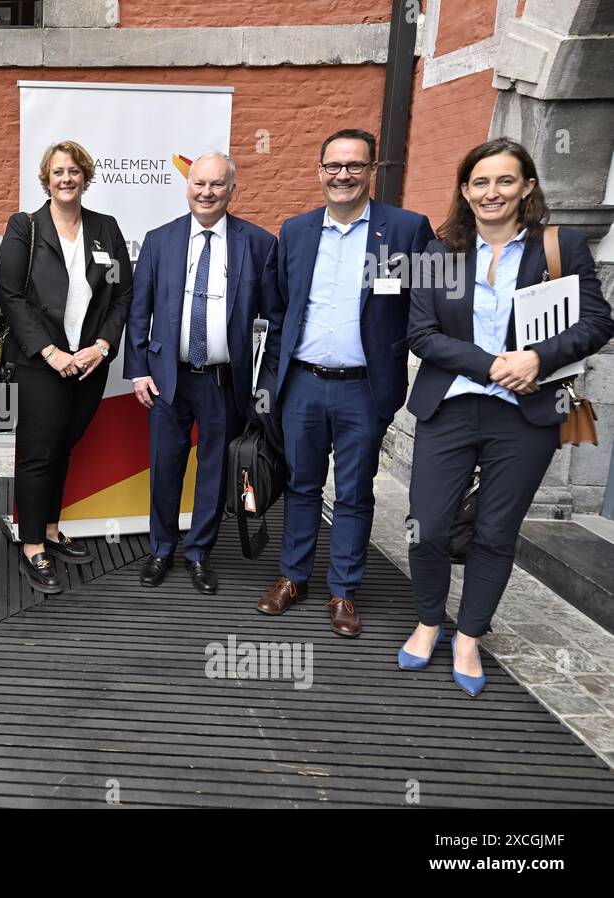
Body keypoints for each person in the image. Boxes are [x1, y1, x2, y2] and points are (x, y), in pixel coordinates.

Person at [400, 138, 614, 695]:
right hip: (448, 407)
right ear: (465, 191)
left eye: (504, 181)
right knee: (427, 525)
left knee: (496, 531)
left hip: (526, 414)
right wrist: (495, 364)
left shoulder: (558, 247)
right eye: (480, 182)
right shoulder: (440, 253)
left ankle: (469, 636)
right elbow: (421, 334)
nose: (491, 192)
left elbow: (596, 321)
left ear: (527, 187)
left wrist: (539, 358)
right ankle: (429, 622)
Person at [259, 128, 435, 636]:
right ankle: (293, 577)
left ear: (371, 172)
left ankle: (344, 590)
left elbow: (427, 303)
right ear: (319, 172)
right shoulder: (294, 230)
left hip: (365, 387)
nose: (343, 175)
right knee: (301, 485)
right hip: (304, 385)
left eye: (355, 166)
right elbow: (278, 307)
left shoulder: (405, 230)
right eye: (333, 166)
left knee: (356, 491)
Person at [125, 152, 276, 593]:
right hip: (168, 379)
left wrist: (262, 381)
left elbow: (276, 317)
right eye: (199, 184)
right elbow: (140, 312)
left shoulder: (259, 243)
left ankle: (198, 553)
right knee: (165, 467)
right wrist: (138, 371)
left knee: (214, 470)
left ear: (232, 190)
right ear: (187, 186)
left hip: (223, 381)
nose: (206, 192)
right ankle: (161, 549)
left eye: (216, 185)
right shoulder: (159, 240)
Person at [0, 140, 133, 594]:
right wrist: (50, 353)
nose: (66, 178)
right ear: (46, 178)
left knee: (63, 447)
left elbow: (122, 295)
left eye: (74, 171)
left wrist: (102, 345)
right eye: (58, 172)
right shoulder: (25, 227)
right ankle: (32, 544)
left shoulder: (106, 229)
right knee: (38, 452)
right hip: (42, 364)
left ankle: (51, 528)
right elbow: (11, 295)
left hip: (89, 362)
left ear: (86, 176)